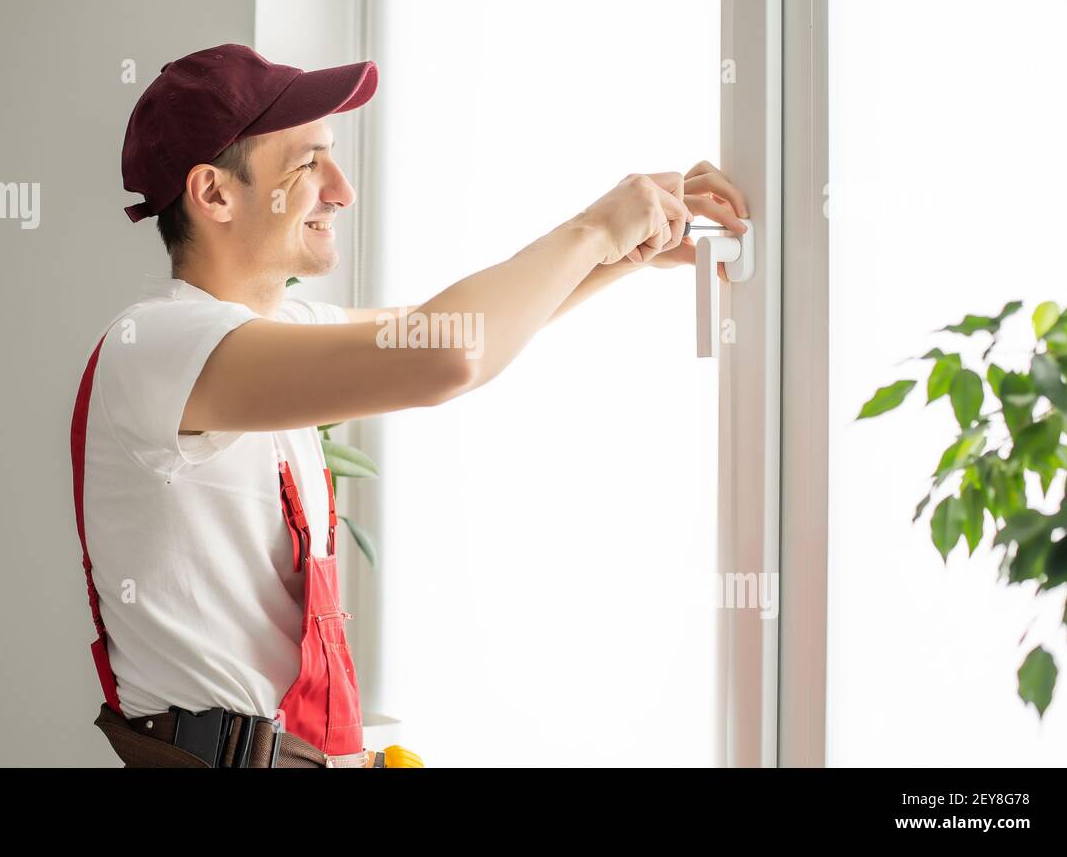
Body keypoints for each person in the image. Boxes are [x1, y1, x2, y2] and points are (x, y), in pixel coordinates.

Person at [71, 44, 749, 768]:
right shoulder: (159, 345)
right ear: (214, 195)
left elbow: (453, 328)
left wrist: (632, 249)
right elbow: (447, 355)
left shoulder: (273, 337)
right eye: (308, 164)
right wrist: (593, 229)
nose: (341, 189)